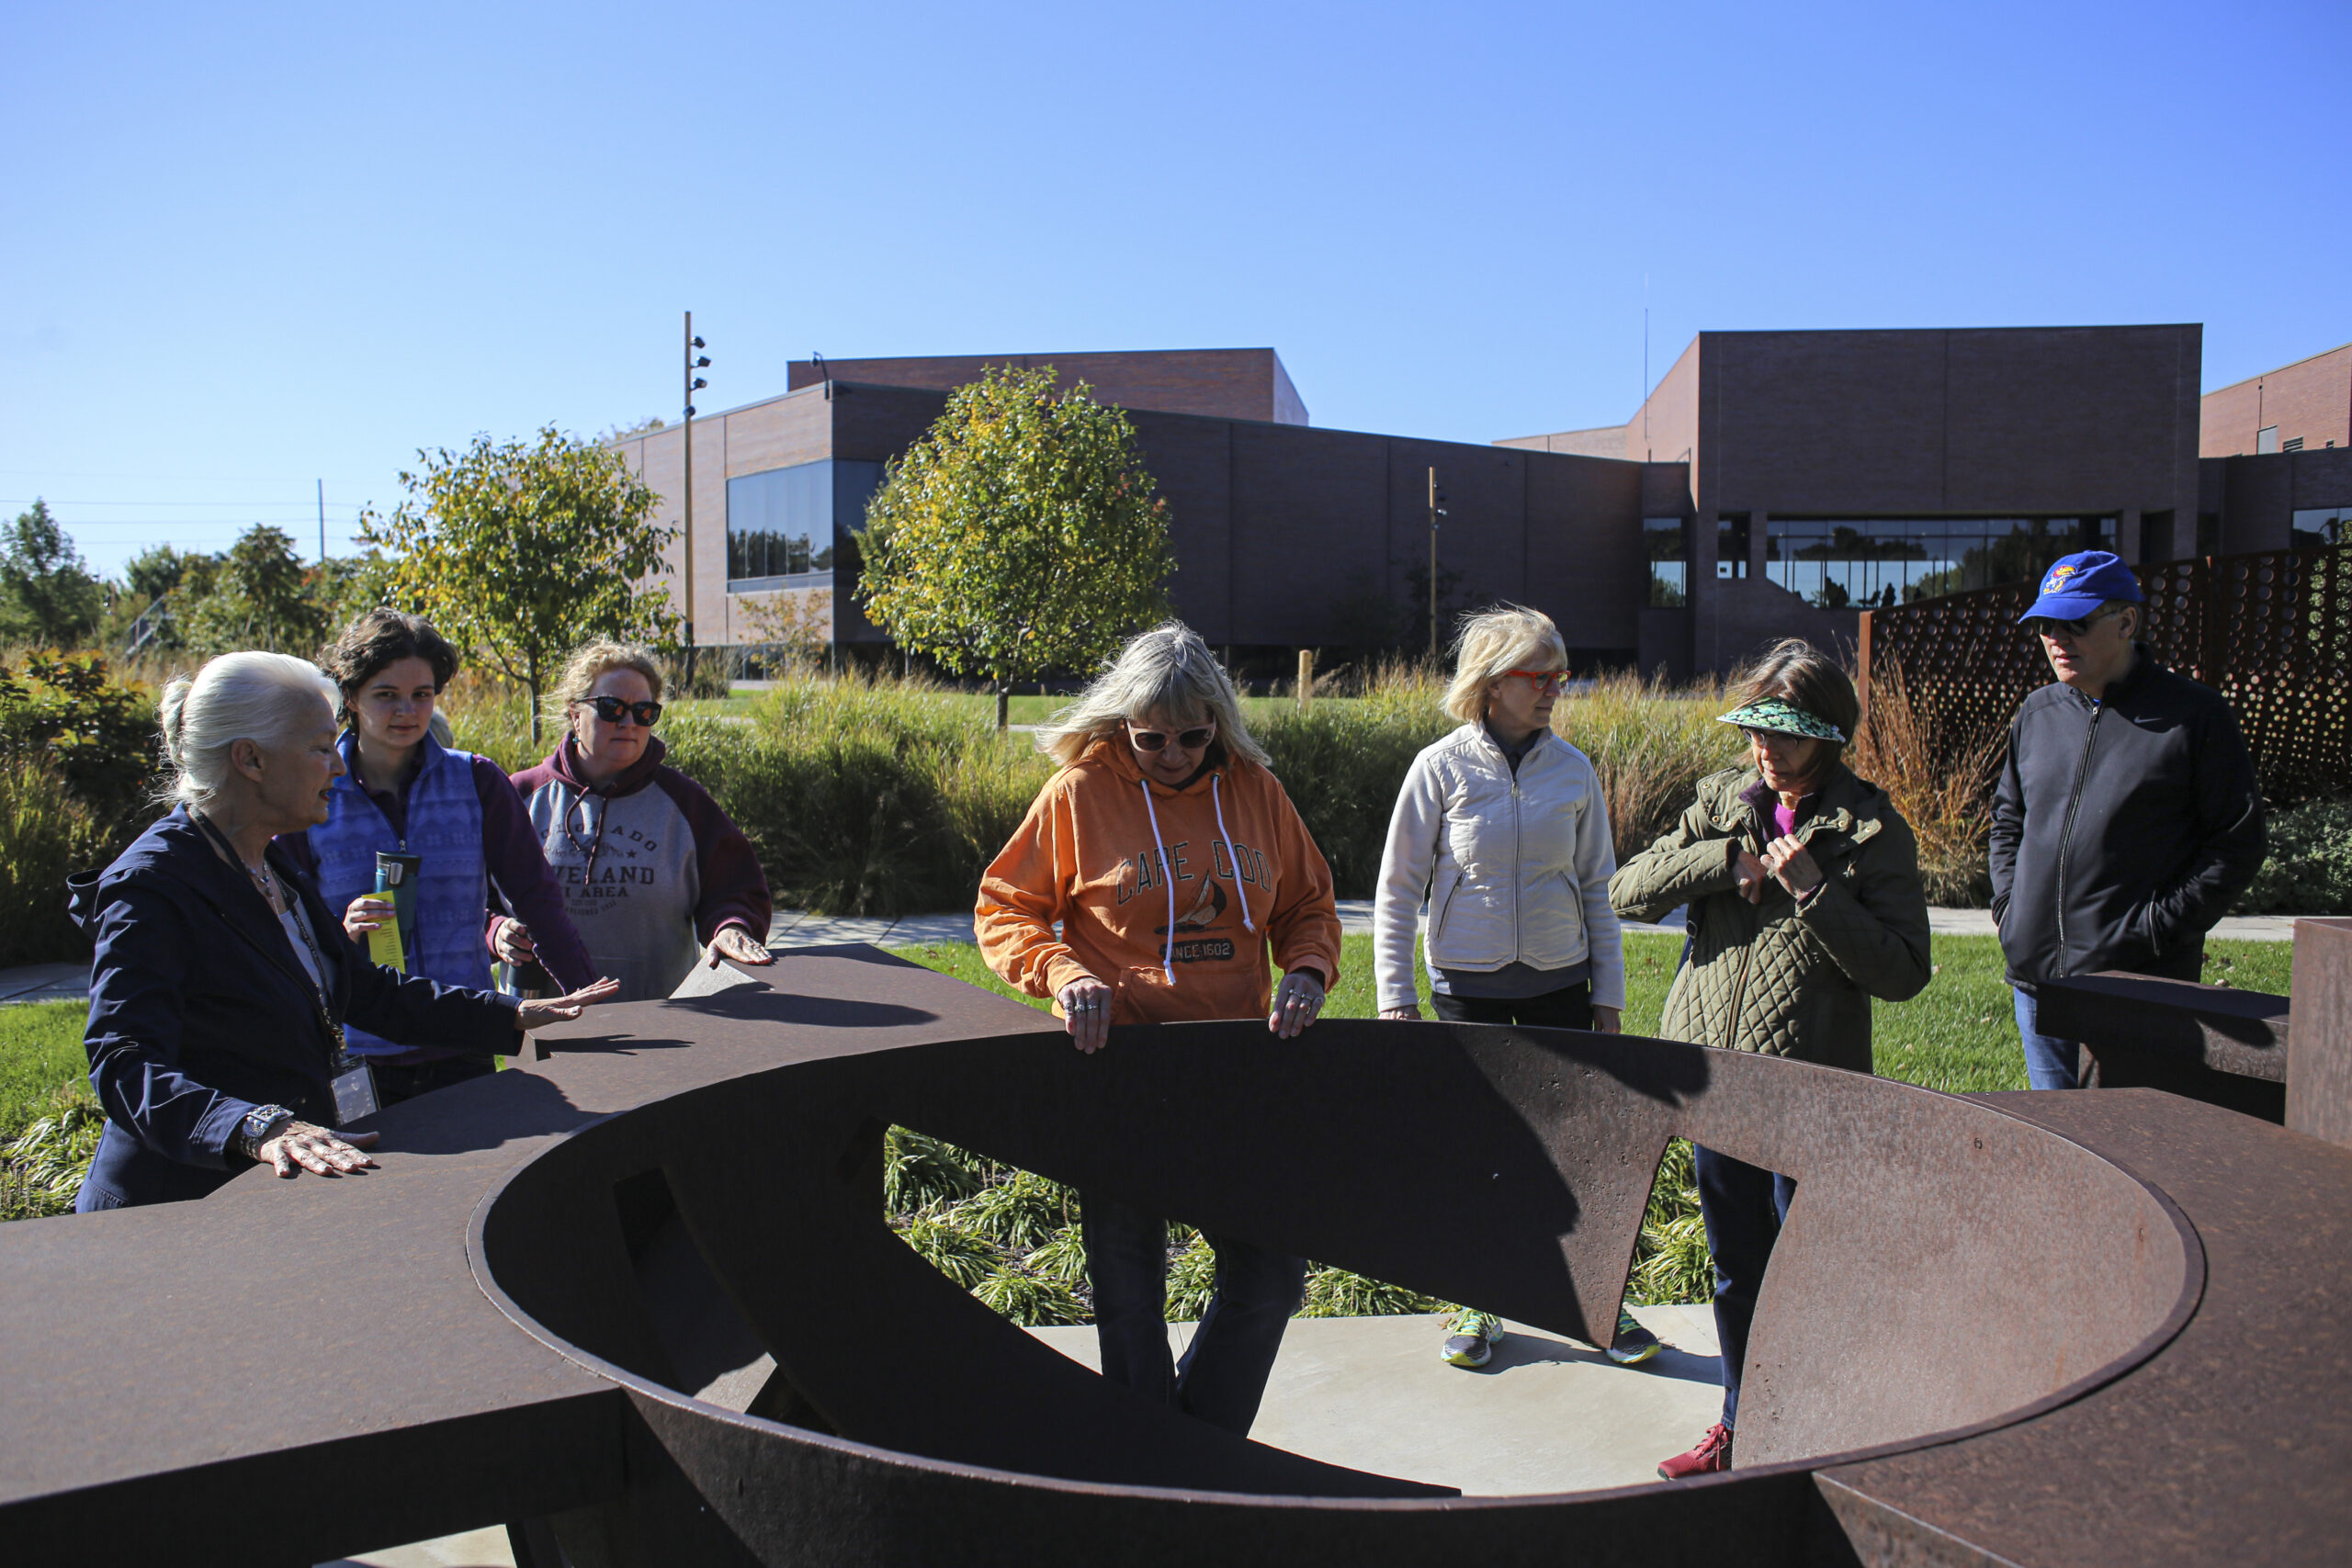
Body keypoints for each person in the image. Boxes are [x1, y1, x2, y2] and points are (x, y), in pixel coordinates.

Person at [70, 652, 616, 1211]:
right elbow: (124, 1061)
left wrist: (510, 1014)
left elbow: (366, 991)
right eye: (318, 748)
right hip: (169, 1216)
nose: (336, 766)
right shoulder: (153, 888)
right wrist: (256, 1128)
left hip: (256, 1200)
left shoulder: (266, 865)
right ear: (250, 759)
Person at [975, 621, 1341, 1438]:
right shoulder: (1079, 793)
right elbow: (1004, 906)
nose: (1172, 754)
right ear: (1120, 725)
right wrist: (1064, 974)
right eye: (1150, 739)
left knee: (1272, 1272)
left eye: (1190, 736)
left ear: (1218, 722)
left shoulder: (1256, 790)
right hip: (1123, 1067)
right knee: (1128, 1288)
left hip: (1236, 1069)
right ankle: (1148, 1458)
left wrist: (1308, 971)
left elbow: (1308, 904)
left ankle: (1199, 1445)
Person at [1611, 639, 1930, 1479]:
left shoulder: (1870, 828)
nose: (1767, 750)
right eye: (1758, 730)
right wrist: (1721, 862)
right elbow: (1626, 889)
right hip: (1719, 1082)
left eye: (1787, 735)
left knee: (1807, 1274)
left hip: (1809, 1091)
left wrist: (1817, 894)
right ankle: (1738, 1425)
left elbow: (1904, 972)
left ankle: (1817, 1430)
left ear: (1828, 735)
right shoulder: (1722, 800)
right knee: (1734, 1269)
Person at [1371, 605, 1654, 1370]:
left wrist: (1609, 996)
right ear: (1493, 683)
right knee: (1485, 1150)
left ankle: (1597, 1301)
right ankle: (1479, 1298)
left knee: (1573, 1151)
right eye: (1541, 675)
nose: (1555, 689)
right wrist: (1396, 996)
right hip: (1467, 992)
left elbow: (1600, 887)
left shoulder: (1575, 770)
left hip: (1564, 987)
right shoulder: (1440, 768)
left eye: (1562, 675)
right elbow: (1397, 890)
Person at [279, 609, 602, 1107]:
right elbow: (285, 926)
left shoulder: (476, 780)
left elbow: (536, 898)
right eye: (386, 695)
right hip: (358, 1052)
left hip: (465, 1039)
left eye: (421, 695)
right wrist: (339, 932)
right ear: (350, 697)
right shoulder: (313, 790)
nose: (406, 711)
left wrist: (590, 1001)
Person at [1989, 551, 2265, 1090]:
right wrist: (2009, 906)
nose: (2057, 638)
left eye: (2076, 623)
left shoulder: (2196, 716)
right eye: (2046, 625)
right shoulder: (2038, 713)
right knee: (2058, 1146)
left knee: (2133, 1157)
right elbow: (2007, 820)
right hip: (2037, 983)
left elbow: (2237, 845)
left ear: (2127, 622)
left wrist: (2152, 932)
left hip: (2135, 989)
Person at [508, 641, 775, 1003]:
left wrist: (730, 927)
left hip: (666, 1023)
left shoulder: (686, 804)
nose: (629, 723)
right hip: (544, 1020)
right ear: (575, 714)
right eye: (611, 708)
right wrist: (495, 931)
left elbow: (734, 890)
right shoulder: (519, 796)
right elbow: (470, 897)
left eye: (644, 711)